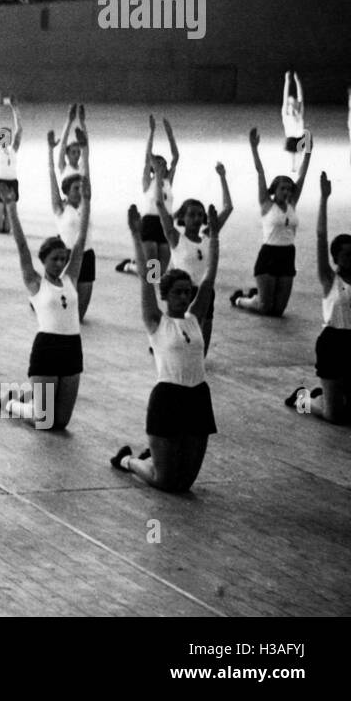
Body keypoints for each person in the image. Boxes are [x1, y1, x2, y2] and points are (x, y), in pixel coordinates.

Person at [111, 203, 219, 492]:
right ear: (166, 295)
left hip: (198, 398)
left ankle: (152, 457)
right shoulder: (156, 322)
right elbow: (147, 277)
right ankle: (129, 461)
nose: (184, 297)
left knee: (185, 485)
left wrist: (216, 236)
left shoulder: (195, 319)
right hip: (168, 399)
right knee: (165, 482)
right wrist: (136, 236)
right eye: (178, 293)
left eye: (187, 292)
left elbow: (209, 277)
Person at [0, 177, 90, 431]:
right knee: (44, 420)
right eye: (54, 259)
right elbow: (21, 246)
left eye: (63, 259)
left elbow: (81, 239)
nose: (60, 264)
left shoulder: (70, 279)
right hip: (47, 349)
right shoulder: (36, 283)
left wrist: (88, 200)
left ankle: (30, 395)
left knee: (60, 423)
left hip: (72, 348)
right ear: (44, 260)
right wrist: (10, 208)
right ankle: (10, 403)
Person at [287, 172, 351, 423]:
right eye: (348, 255)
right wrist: (324, 198)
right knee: (334, 416)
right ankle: (303, 398)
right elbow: (320, 236)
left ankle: (328, 394)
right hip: (333, 343)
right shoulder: (330, 280)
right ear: (335, 258)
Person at [230, 127, 310, 317]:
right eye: (283, 189)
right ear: (275, 190)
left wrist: (308, 151)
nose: (287, 192)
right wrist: (254, 148)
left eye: (289, 189)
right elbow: (260, 172)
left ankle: (257, 294)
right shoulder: (266, 204)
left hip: (288, 254)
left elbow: (302, 175)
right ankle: (240, 299)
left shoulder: (292, 204)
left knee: (278, 310)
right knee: (266, 309)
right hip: (269, 255)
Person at [157, 163, 233, 352]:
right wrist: (159, 178)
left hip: (205, 291)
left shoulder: (209, 235)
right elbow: (160, 205)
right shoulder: (176, 238)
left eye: (200, 215)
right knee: (178, 344)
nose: (197, 218)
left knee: (201, 350)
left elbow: (228, 207)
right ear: (183, 217)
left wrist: (222, 177)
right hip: (184, 291)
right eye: (192, 214)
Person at [117, 115, 180, 275]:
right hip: (150, 222)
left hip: (166, 222)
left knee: (162, 267)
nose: (163, 166)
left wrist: (170, 134)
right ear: (153, 168)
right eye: (159, 164)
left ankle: (132, 266)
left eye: (164, 164)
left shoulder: (168, 182)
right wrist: (151, 131)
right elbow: (147, 156)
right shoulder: (148, 182)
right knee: (153, 269)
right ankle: (131, 267)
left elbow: (176, 157)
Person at [48, 125, 95, 319]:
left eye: (81, 187)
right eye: (76, 188)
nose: (80, 191)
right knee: (63, 311)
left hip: (87, 255)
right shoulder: (61, 208)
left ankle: (149, 275)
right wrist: (49, 150)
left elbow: (87, 171)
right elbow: (52, 174)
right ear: (67, 191)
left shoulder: (86, 204)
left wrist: (85, 147)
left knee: (80, 316)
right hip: (66, 256)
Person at [0, 95, 22, 234]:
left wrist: (15, 108)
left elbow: (19, 129)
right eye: (1, 136)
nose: (4, 138)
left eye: (6, 136)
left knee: (7, 229)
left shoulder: (13, 149)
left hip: (12, 183)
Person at [281, 71, 306, 175]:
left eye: (292, 102)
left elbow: (300, 97)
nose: (291, 104)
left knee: (299, 165)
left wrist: (297, 81)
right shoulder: (285, 115)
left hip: (300, 138)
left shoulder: (299, 113)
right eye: (289, 103)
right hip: (290, 139)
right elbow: (285, 97)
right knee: (292, 167)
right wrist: (287, 81)